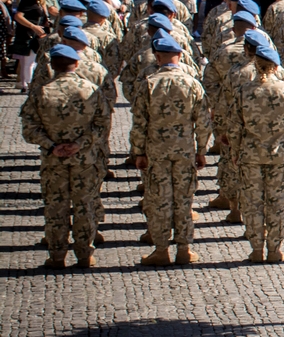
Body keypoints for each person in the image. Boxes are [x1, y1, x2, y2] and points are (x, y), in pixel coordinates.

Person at [22, 44, 109, 268]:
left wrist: (51, 146)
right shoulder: (91, 90)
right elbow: (102, 126)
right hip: (85, 160)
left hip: (54, 161)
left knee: (55, 208)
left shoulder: (41, 92)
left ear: (52, 66)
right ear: (76, 64)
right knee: (84, 207)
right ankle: (84, 254)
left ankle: (57, 255)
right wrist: (80, 144)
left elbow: (29, 129)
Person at [130, 31, 211, 265]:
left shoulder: (149, 84)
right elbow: (203, 122)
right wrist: (202, 150)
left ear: (157, 57)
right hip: (184, 150)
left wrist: (138, 152)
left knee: (159, 200)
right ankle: (184, 248)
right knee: (184, 200)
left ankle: (162, 249)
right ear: (179, 56)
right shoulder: (192, 84)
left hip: (157, 151)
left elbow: (139, 123)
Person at [236, 44, 284, 263]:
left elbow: (234, 126)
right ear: (276, 67)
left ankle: (256, 249)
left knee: (252, 203)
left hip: (250, 155)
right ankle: (275, 249)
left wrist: (236, 152)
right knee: (276, 204)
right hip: (279, 154)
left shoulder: (244, 91)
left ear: (256, 66)